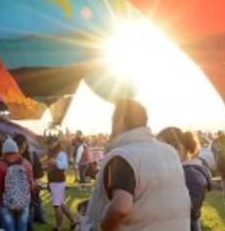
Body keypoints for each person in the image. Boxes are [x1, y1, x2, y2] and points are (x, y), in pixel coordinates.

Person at [78, 99, 190, 231]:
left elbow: (121, 207)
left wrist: (102, 228)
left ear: (119, 120)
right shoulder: (169, 152)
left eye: (113, 120)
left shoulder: (123, 156)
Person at [156, 127, 210, 231]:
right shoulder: (182, 171)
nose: (159, 154)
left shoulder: (191, 175)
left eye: (162, 149)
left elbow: (189, 210)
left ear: (179, 148)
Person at [0, 137, 35, 231]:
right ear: (16, 149)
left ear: (4, 150)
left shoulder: (0, 164)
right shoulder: (26, 163)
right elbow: (32, 184)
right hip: (23, 201)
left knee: (9, 228)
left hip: (5, 202)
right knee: (22, 228)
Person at [46, 142, 77, 231]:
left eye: (51, 142)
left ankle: (58, 227)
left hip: (58, 181)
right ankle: (74, 222)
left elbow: (64, 166)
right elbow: (49, 168)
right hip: (53, 181)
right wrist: (49, 182)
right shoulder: (51, 151)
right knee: (61, 204)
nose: (49, 144)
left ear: (56, 142)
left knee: (57, 205)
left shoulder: (61, 153)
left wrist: (55, 162)